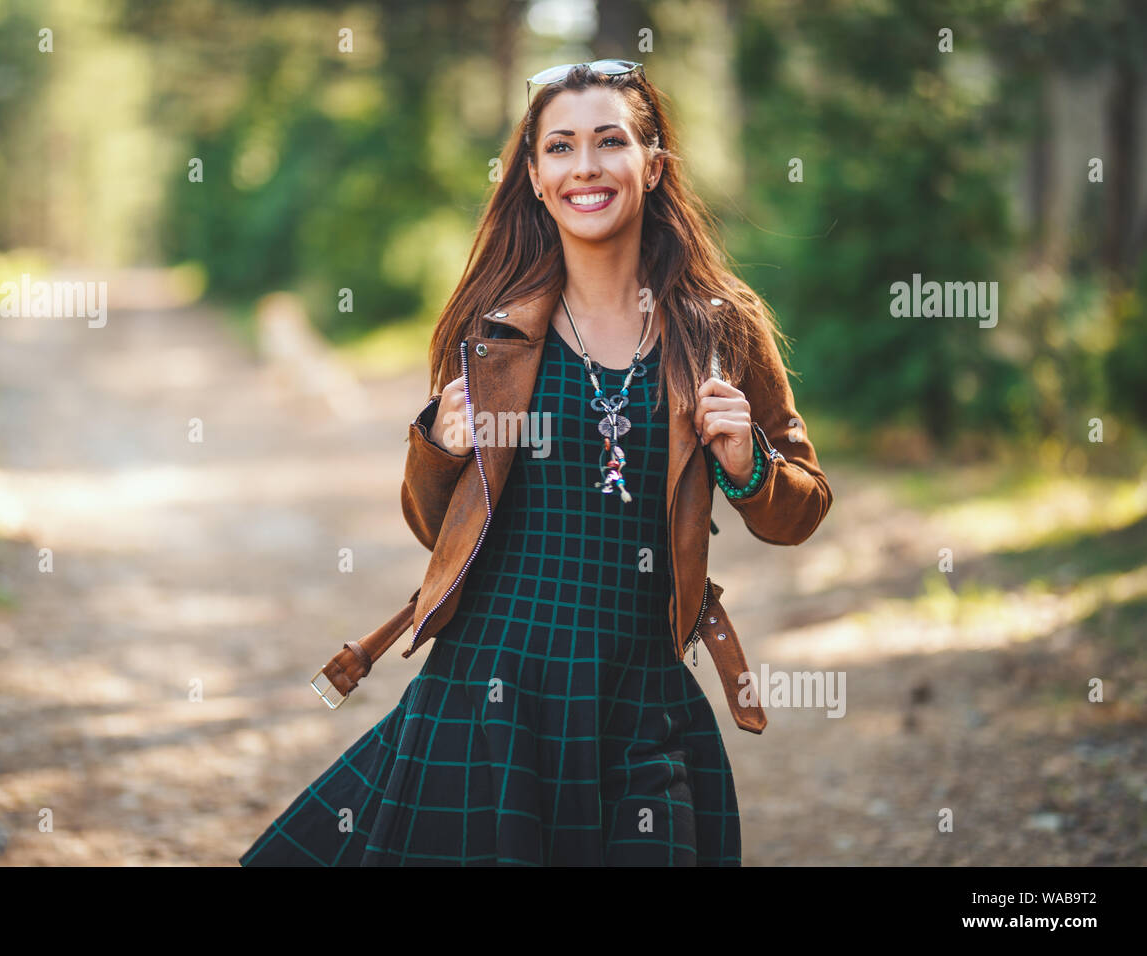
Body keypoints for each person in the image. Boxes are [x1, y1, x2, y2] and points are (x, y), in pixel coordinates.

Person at [241, 59, 832, 866]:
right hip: (491, 689)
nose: (584, 166)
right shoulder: (489, 333)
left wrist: (747, 465)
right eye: (559, 148)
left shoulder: (721, 329)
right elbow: (432, 528)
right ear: (534, 175)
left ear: (653, 167)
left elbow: (800, 508)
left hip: (641, 692)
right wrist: (439, 450)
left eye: (609, 142)